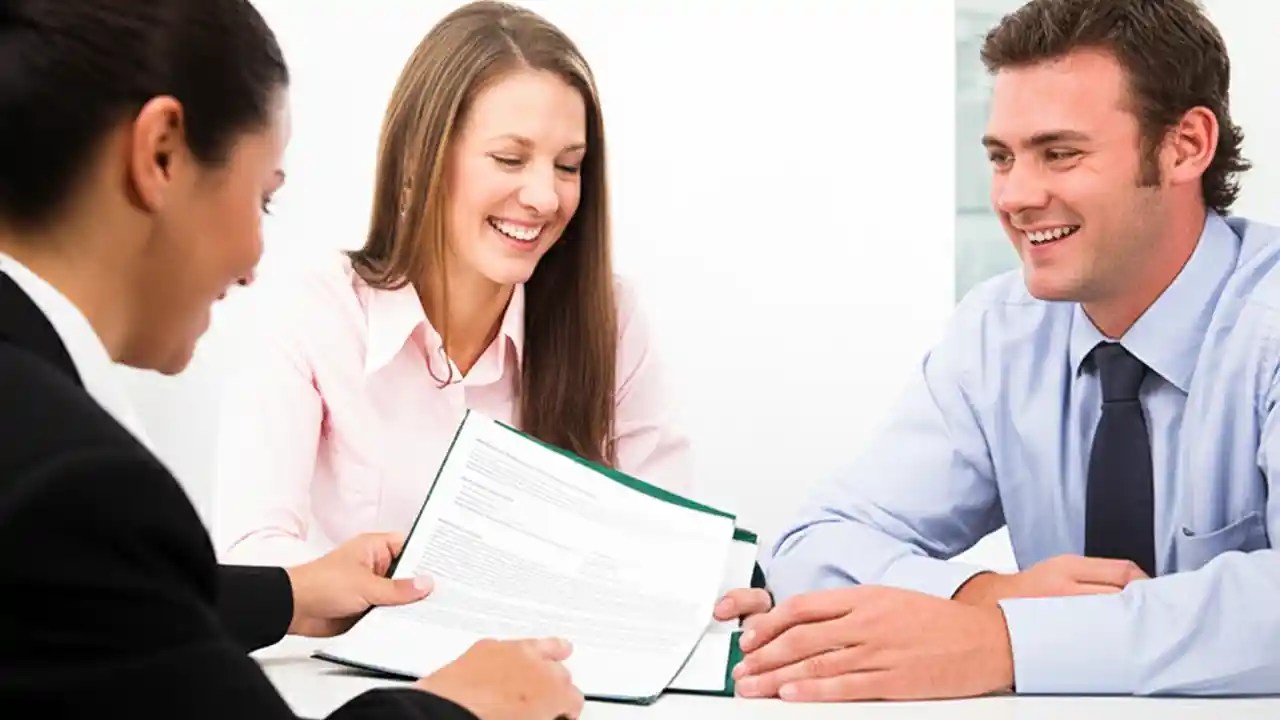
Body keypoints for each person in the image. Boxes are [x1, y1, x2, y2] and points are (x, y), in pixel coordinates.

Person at [0, 1, 583, 718]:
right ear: (159, 155)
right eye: (264, 198)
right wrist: (455, 707)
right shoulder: (78, 485)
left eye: (568, 166)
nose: (254, 262)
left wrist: (291, 594)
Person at [739, 0, 1280, 702]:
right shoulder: (1000, 333)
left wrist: (1008, 642)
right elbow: (816, 542)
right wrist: (979, 596)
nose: (1017, 196)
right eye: (1002, 158)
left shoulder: (1267, 324)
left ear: (1185, 146)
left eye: (1060, 153)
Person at [209, 1, 770, 621]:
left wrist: (716, 586)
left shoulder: (610, 318)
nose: (543, 197)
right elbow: (252, 557)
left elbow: (667, 534)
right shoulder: (317, 314)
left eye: (568, 166)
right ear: (422, 160)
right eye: (509, 159)